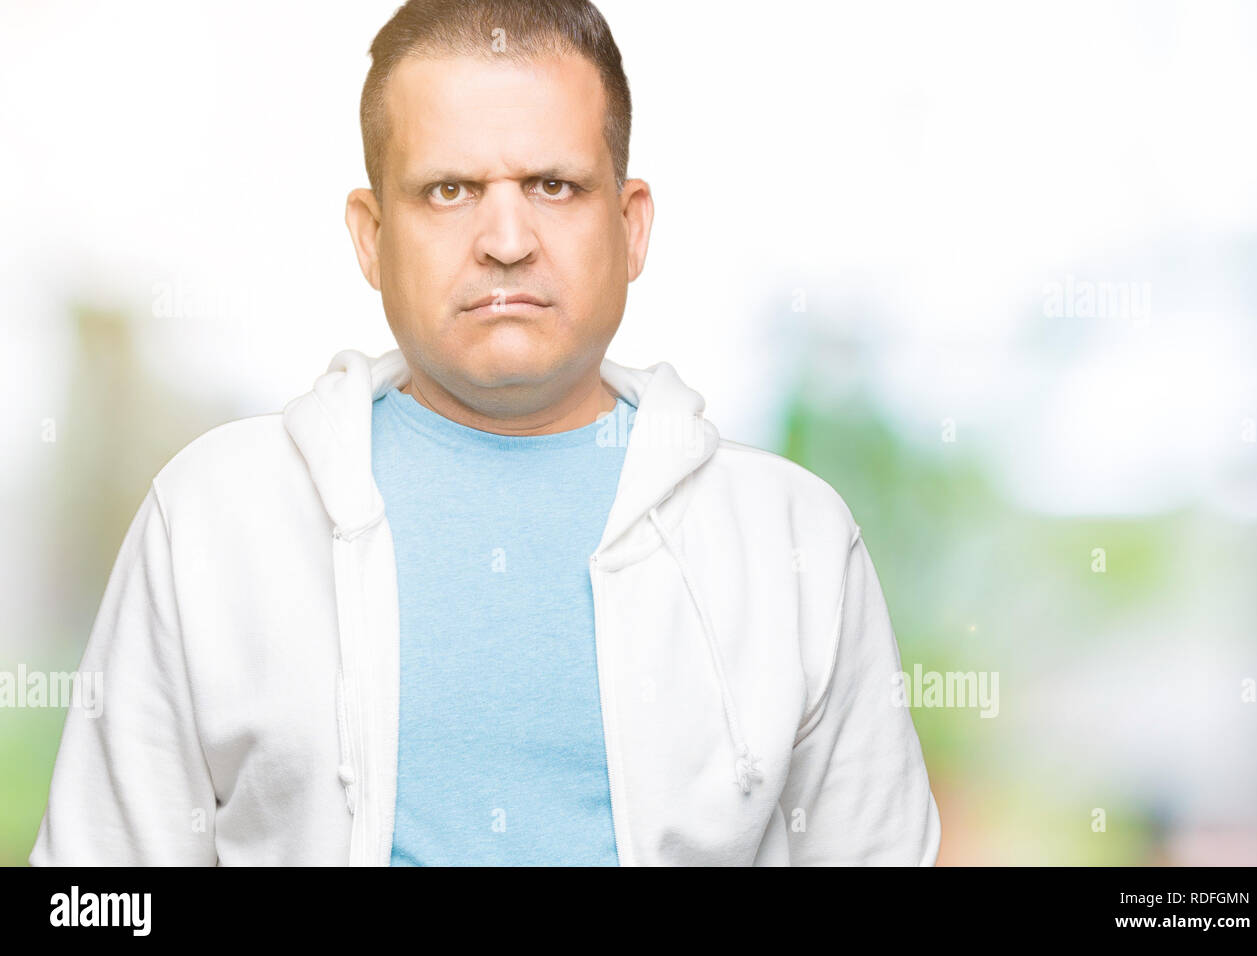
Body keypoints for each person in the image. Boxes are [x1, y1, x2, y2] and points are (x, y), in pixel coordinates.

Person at [29, 0, 940, 866]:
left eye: (553, 184)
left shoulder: (794, 540)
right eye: (450, 189)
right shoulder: (213, 518)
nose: (507, 239)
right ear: (371, 236)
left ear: (630, 227)